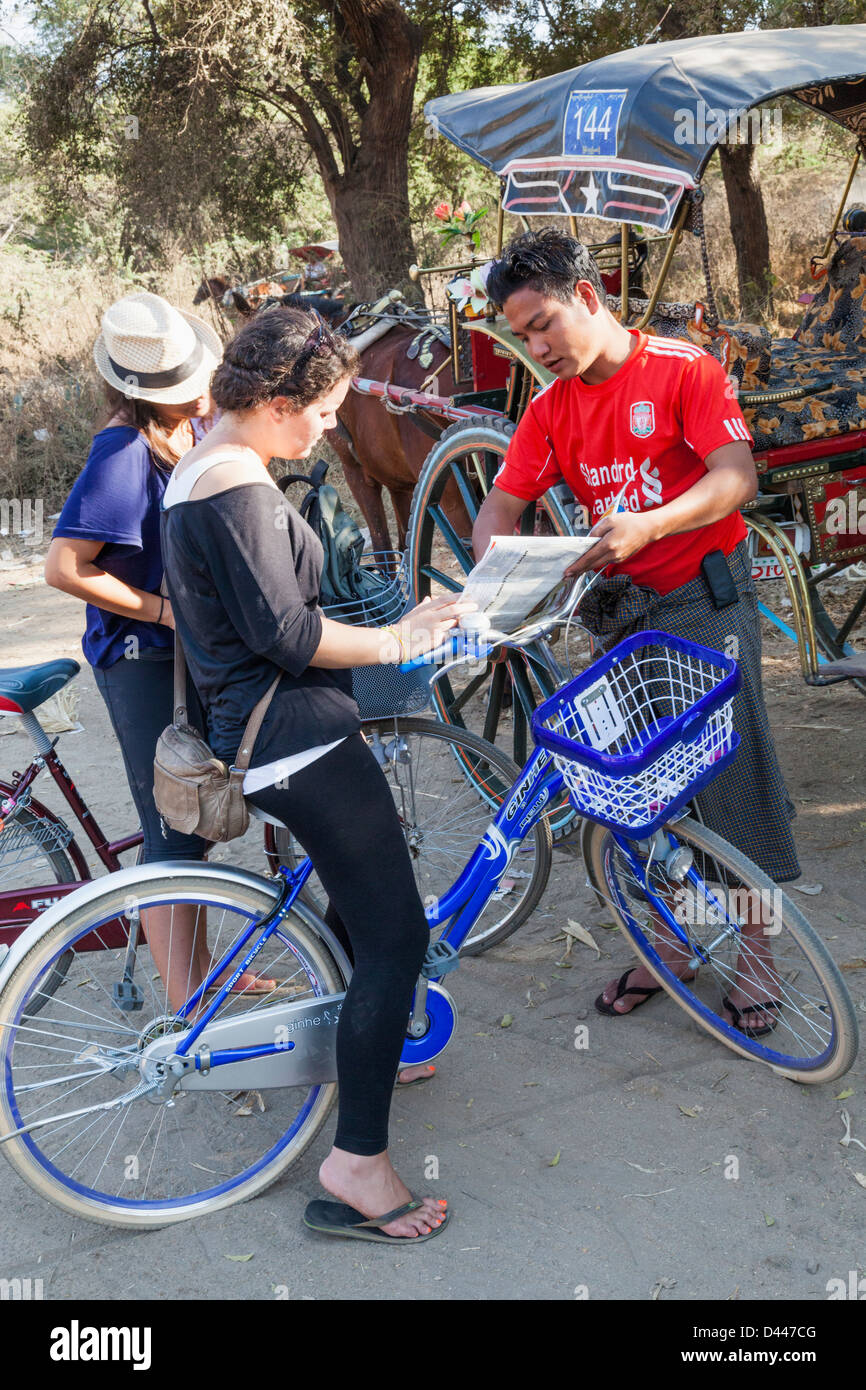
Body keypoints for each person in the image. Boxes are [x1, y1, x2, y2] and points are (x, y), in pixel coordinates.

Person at [160, 304, 472, 1242]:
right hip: (297, 740)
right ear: (280, 399)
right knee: (395, 940)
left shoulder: (203, 471)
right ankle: (358, 1167)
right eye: (328, 408)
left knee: (356, 925)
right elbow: (290, 635)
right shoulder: (235, 484)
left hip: (272, 735)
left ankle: (362, 1060)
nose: (333, 426)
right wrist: (401, 636)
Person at [473, 230, 800, 1036]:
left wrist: (650, 525)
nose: (538, 347)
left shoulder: (684, 370)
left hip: (702, 601)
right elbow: (497, 511)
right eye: (522, 337)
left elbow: (736, 477)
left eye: (544, 323)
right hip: (617, 615)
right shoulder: (549, 411)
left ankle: (756, 954)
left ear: (587, 295)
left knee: (733, 780)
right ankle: (672, 941)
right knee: (634, 785)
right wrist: (497, 587)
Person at [45, 292, 281, 1006]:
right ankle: (185, 1010)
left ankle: (210, 975)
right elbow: (63, 567)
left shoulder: (188, 426)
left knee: (194, 829)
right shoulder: (120, 453)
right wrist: (162, 611)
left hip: (184, 656)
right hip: (141, 660)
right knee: (170, 832)